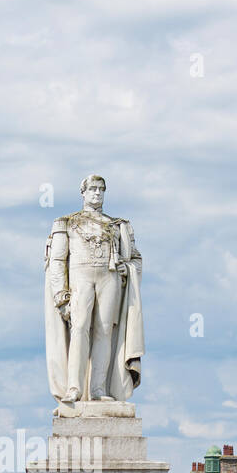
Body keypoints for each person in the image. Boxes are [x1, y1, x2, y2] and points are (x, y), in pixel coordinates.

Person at [44, 174, 144, 410]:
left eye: (101, 189)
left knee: (104, 331)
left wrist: (126, 270)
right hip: (81, 279)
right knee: (78, 330)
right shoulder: (66, 223)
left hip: (109, 279)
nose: (97, 194)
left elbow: (136, 259)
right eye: (93, 189)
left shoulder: (118, 225)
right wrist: (61, 296)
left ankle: (99, 389)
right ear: (83, 192)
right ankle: (74, 388)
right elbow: (57, 261)